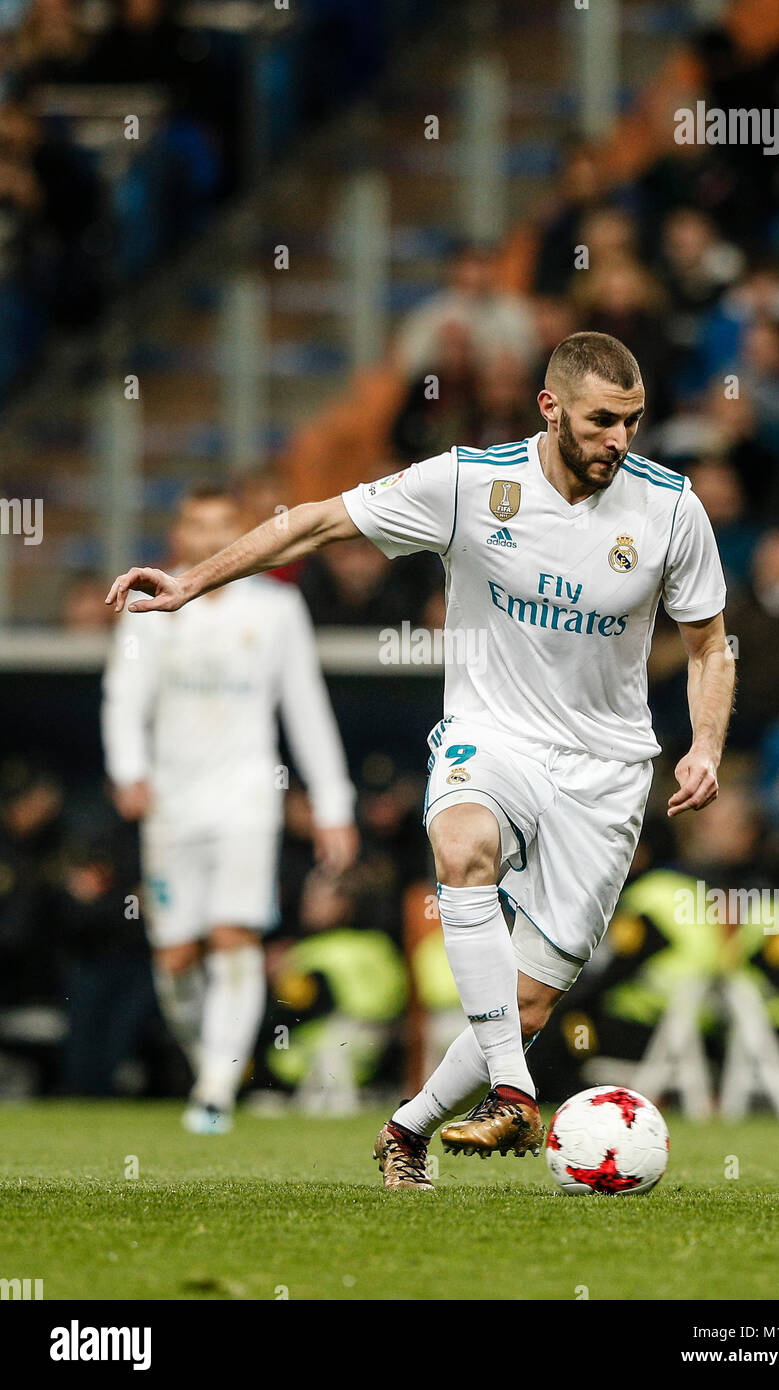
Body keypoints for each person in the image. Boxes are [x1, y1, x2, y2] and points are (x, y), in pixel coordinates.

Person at [106, 332, 734, 1187]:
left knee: (529, 1003)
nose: (618, 441)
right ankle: (516, 1092)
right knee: (463, 846)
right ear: (550, 409)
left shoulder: (670, 509)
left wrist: (706, 745)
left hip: (608, 769)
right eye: (600, 422)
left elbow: (709, 646)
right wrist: (193, 582)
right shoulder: (469, 484)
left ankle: (406, 1129)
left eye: (632, 422)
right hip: (494, 735)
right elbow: (318, 522)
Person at [102, 483, 357, 1134]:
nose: (211, 538)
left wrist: (332, 803)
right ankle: (209, 1063)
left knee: (234, 936)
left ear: (243, 531)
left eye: (224, 526)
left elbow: (306, 707)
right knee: (177, 957)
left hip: (248, 793)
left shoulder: (276, 608)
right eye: (198, 526)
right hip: (172, 798)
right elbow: (123, 694)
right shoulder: (155, 603)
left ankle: (215, 1091)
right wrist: (129, 770)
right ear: (179, 537)